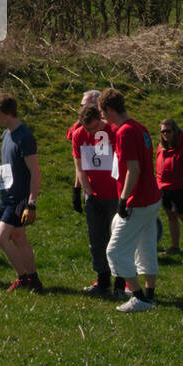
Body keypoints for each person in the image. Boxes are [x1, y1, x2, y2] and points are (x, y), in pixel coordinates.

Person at [99, 88, 160, 312]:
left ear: (110, 110)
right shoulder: (139, 127)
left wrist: (123, 199)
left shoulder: (125, 132)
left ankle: (139, 297)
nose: (102, 117)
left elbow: (132, 170)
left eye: (102, 112)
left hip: (139, 200)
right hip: (152, 198)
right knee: (146, 245)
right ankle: (150, 294)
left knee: (114, 252)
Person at [0, 94, 43, 293]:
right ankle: (34, 279)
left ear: (8, 114)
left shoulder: (24, 137)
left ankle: (22, 277)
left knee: (0, 237)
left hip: (19, 197)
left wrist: (31, 202)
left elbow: (35, 172)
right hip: (7, 194)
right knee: (19, 237)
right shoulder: (6, 133)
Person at [72, 103, 127, 297]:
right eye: (87, 128)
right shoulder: (79, 135)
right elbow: (79, 166)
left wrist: (124, 195)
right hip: (93, 195)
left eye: (95, 127)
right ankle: (102, 279)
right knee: (96, 239)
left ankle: (121, 281)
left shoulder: (115, 131)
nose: (91, 131)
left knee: (117, 238)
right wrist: (85, 191)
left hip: (115, 194)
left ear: (101, 120)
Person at [157, 118, 183, 261]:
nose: (165, 134)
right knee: (171, 218)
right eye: (162, 131)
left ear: (175, 131)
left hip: (180, 190)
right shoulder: (161, 148)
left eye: (168, 131)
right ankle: (175, 246)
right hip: (164, 189)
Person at [67, 90, 101, 216]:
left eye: (87, 107)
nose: (83, 110)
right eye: (82, 106)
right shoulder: (80, 130)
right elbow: (81, 162)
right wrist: (77, 188)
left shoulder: (110, 128)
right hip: (90, 187)